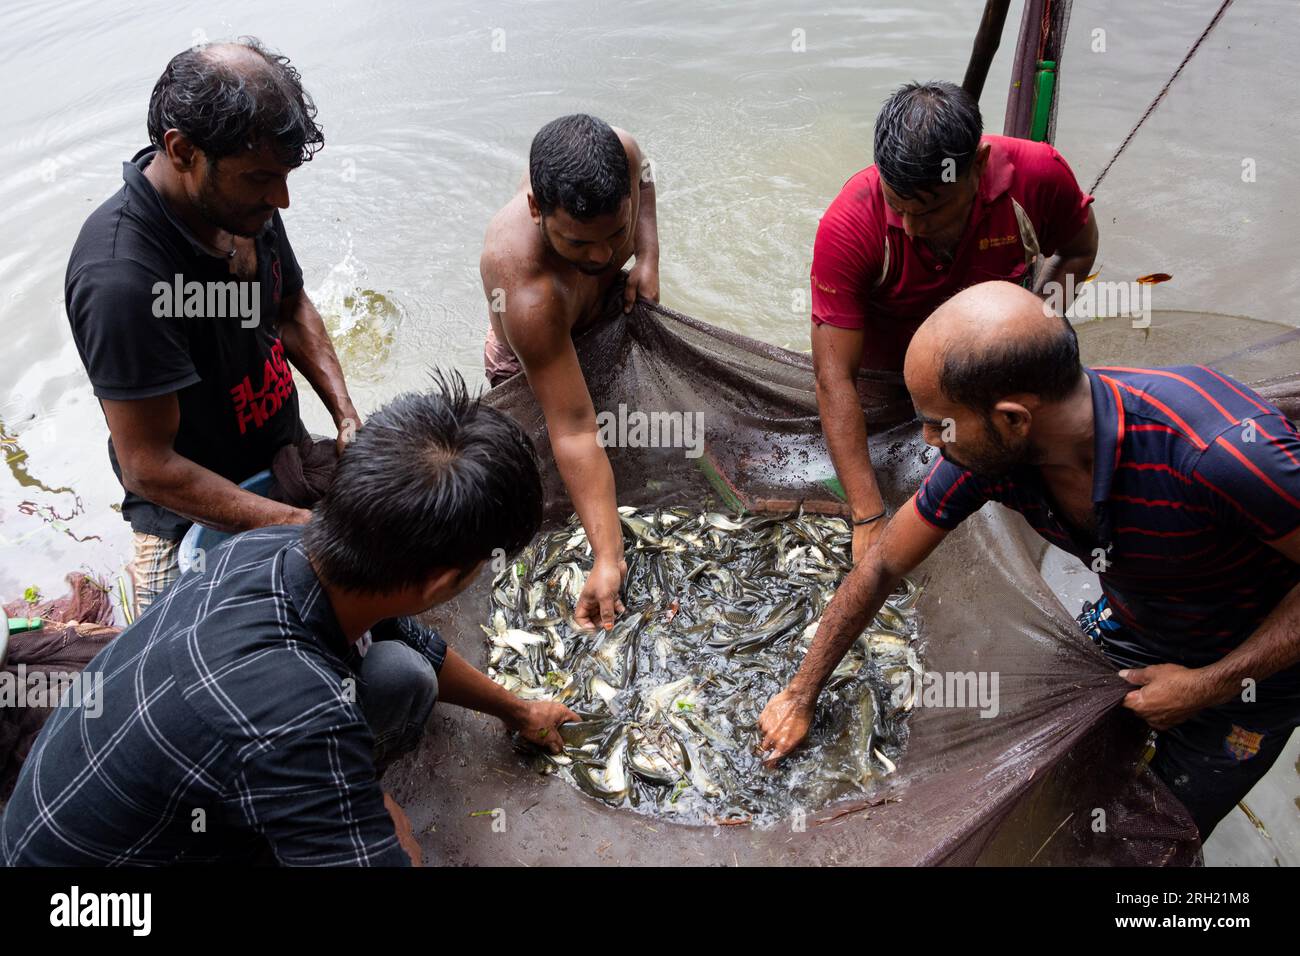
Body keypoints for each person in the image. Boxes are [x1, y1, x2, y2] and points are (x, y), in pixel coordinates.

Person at [761, 281, 1300, 842]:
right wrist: (801, 693)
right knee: (1057, 772)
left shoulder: (1219, 453)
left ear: (1014, 419)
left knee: (1154, 826)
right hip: (1139, 612)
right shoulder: (985, 460)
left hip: (1259, 667)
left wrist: (1207, 687)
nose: (928, 440)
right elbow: (882, 566)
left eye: (939, 423)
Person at [1, 373, 578, 866]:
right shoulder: (300, 718)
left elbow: (407, 636)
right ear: (442, 583)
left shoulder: (271, 545)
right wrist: (381, 829)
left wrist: (520, 710)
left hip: (117, 795)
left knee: (400, 674)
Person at [65, 39, 360, 611]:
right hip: (187, 514)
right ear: (182, 151)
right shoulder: (122, 280)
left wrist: (345, 418)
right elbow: (149, 467)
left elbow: (292, 306)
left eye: (284, 176)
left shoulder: (241, 205)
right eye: (259, 179)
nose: (282, 198)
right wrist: (300, 526)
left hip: (282, 453)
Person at [811, 81, 1099, 563]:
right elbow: (833, 376)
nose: (910, 228)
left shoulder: (1037, 176)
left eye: (931, 210)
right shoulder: (849, 226)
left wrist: (1029, 329)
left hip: (986, 367)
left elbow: (1078, 250)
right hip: (890, 374)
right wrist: (866, 515)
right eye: (897, 207)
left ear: (979, 167)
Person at [479, 114, 659, 630]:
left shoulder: (622, 152)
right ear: (537, 209)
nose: (603, 256)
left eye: (613, 235)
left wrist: (646, 253)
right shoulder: (526, 291)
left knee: (625, 448)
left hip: (596, 320)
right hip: (532, 359)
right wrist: (608, 558)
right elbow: (575, 429)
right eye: (580, 244)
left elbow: (644, 175)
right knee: (548, 492)